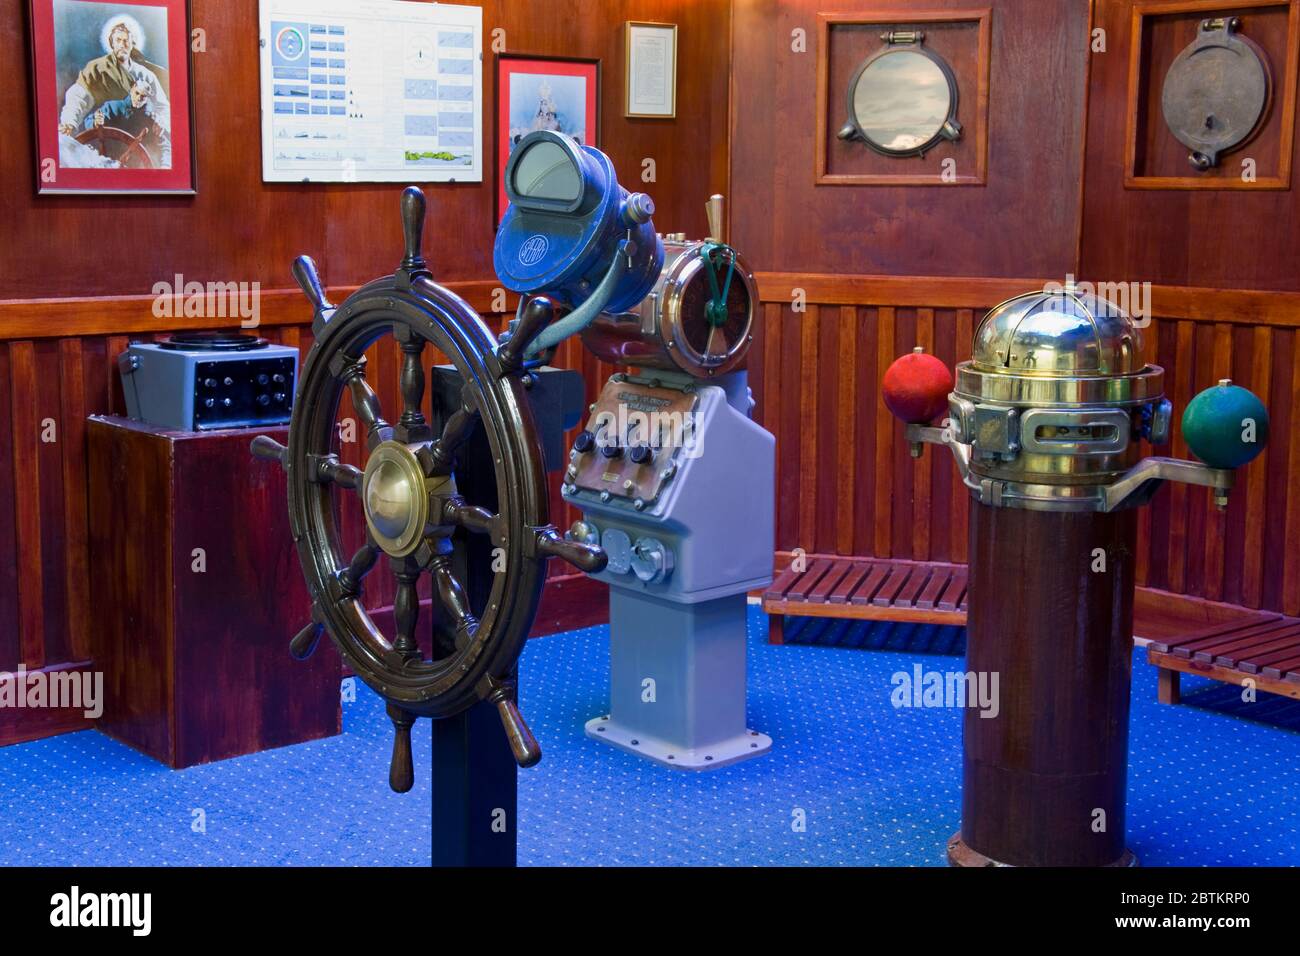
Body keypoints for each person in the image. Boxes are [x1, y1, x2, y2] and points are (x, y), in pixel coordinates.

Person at [58, 18, 170, 141]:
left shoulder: (146, 75)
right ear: (112, 43)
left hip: (138, 138)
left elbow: (163, 107)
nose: (122, 44)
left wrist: (161, 122)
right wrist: (69, 122)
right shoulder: (97, 69)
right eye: (118, 40)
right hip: (103, 137)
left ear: (132, 44)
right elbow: (78, 97)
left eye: (126, 41)